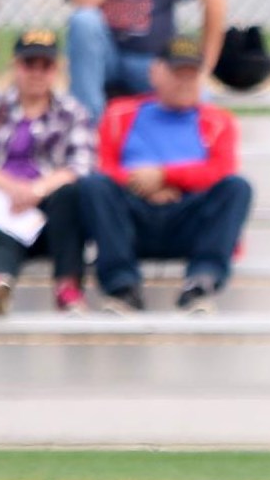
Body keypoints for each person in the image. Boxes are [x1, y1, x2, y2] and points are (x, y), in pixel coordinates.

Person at [79, 34, 252, 313]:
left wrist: (164, 176)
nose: (185, 81)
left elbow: (220, 171)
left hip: (187, 218)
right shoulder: (120, 113)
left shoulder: (219, 122)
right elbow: (104, 166)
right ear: (155, 72)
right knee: (94, 186)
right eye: (177, 73)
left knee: (237, 188)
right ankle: (122, 287)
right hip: (134, 217)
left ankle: (201, 281)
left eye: (192, 74)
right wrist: (143, 184)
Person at [0, 29, 93, 316]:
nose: (37, 73)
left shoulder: (72, 112)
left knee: (72, 195)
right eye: (29, 64)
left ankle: (67, 284)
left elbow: (81, 165)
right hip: (0, 203)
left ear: (56, 69)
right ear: (15, 66)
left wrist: (36, 191)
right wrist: (13, 189)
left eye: (46, 65)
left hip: (50, 209)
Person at [62, 0, 227, 119]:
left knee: (199, 101)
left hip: (151, 61)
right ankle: (87, 129)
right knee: (83, 20)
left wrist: (204, 68)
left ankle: (180, 144)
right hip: (102, 59)